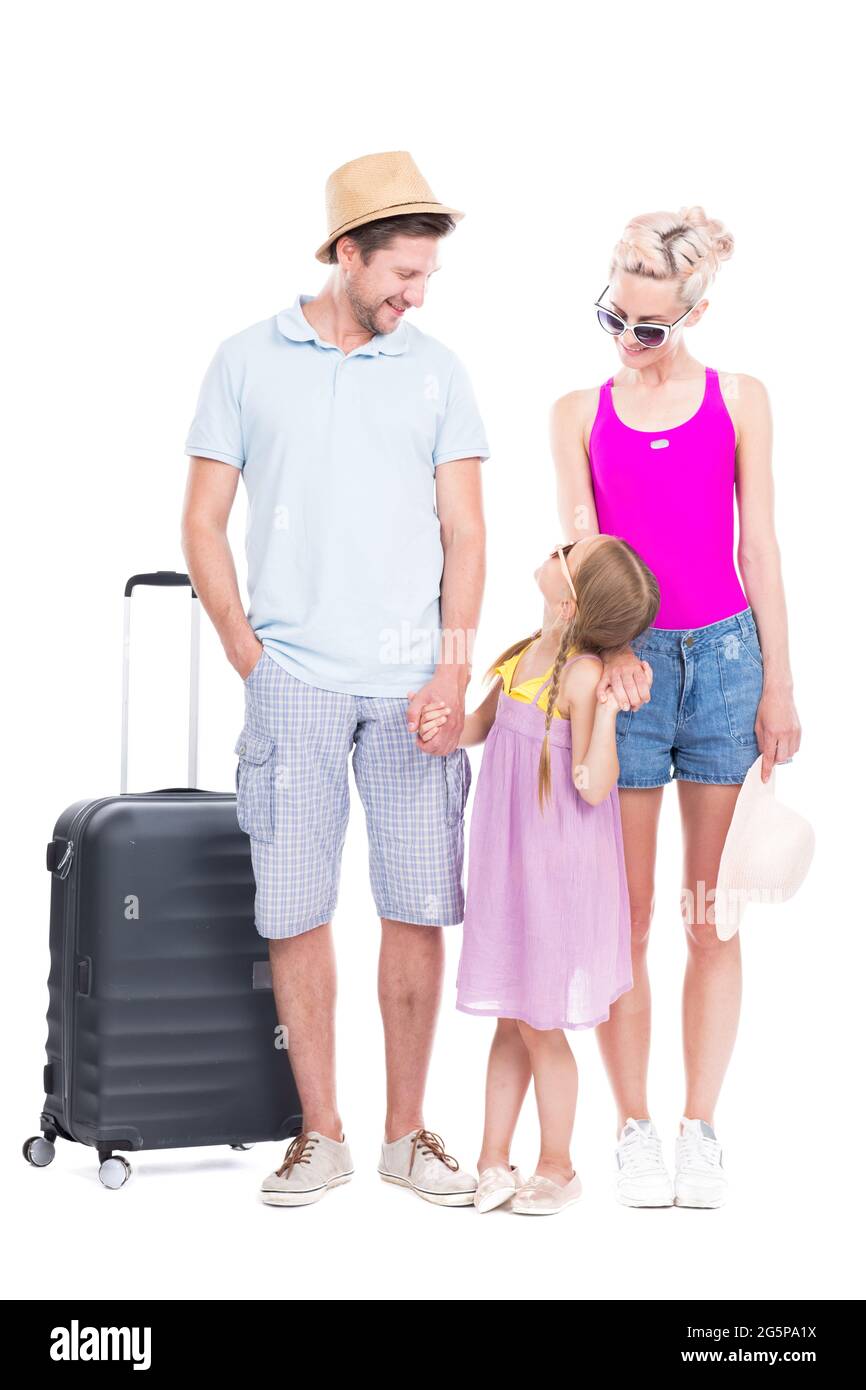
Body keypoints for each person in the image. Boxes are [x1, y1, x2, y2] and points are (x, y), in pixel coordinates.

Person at [180, 151, 490, 1208]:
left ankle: (408, 1134)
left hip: (416, 687)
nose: (414, 295)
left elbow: (465, 530)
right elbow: (200, 522)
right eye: (399, 273)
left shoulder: (439, 369)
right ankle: (323, 1134)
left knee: (416, 906)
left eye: (427, 279)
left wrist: (452, 673)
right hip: (294, 680)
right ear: (345, 253)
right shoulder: (243, 359)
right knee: (294, 910)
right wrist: (249, 659)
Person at [550, 206, 802, 1208]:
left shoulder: (739, 399)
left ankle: (699, 1126)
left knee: (711, 916)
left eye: (648, 327)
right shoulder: (575, 412)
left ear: (695, 311)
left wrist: (778, 680)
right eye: (612, 317)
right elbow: (580, 560)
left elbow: (760, 549)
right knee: (627, 915)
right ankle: (631, 1127)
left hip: (727, 664)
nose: (626, 341)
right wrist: (604, 657)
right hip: (628, 672)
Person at [418, 535, 659, 1214]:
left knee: (540, 1024)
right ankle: (494, 1156)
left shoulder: (584, 678)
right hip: (507, 872)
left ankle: (559, 1164)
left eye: (567, 553)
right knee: (511, 1018)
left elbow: (592, 784)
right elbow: (481, 728)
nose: (555, 549)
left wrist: (606, 722)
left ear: (571, 596)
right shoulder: (526, 654)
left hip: (555, 879)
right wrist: (446, 728)